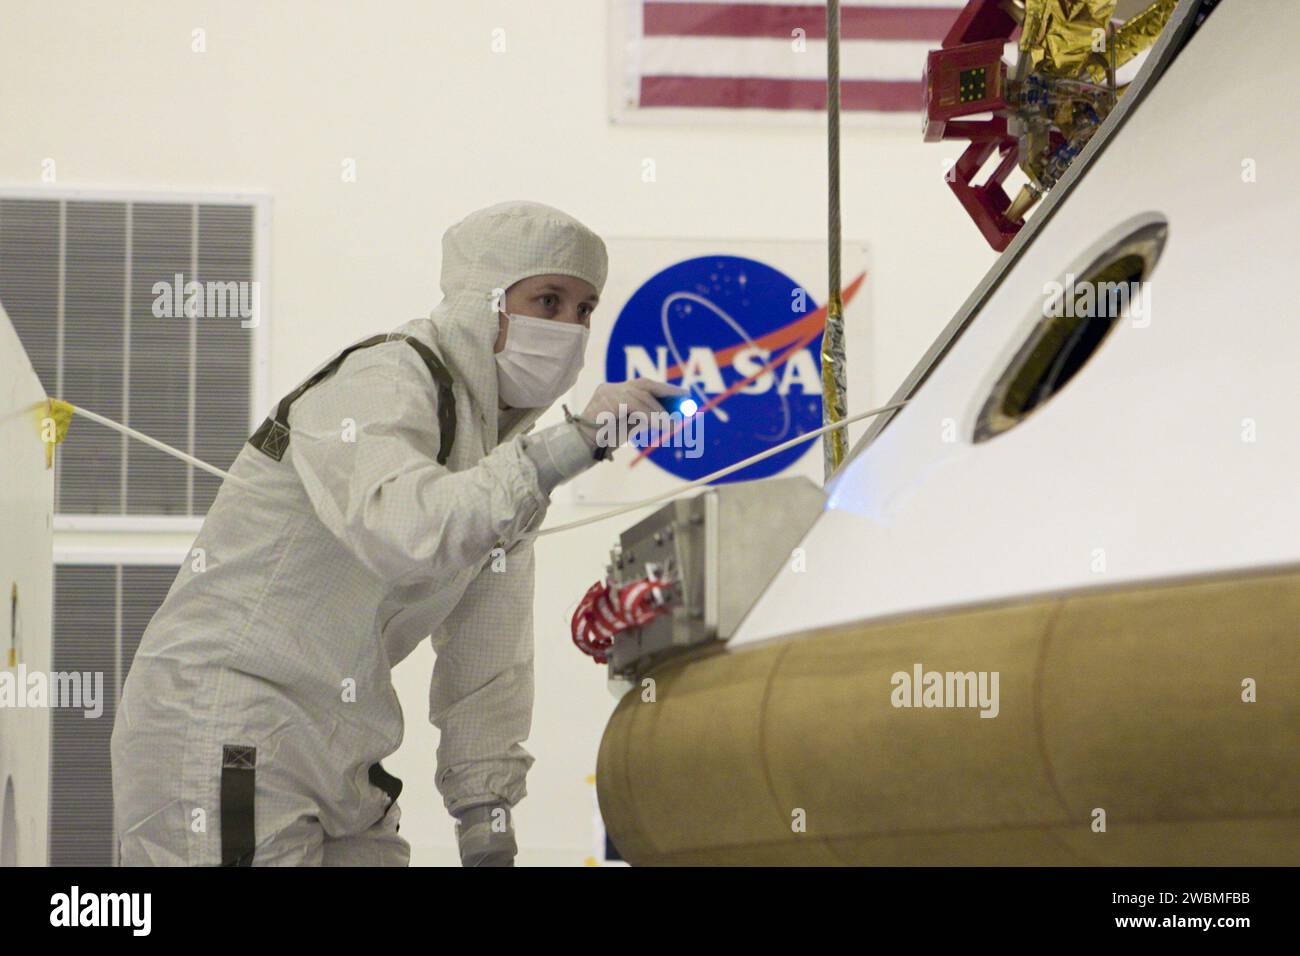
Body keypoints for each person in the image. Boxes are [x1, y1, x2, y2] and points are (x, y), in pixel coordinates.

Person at [110, 200, 683, 866]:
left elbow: (489, 656)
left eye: (584, 311)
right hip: (227, 725)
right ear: (483, 300)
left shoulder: (504, 465)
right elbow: (406, 528)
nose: (569, 327)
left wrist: (486, 815)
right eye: (547, 301)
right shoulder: (385, 380)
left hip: (340, 748)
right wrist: (572, 443)